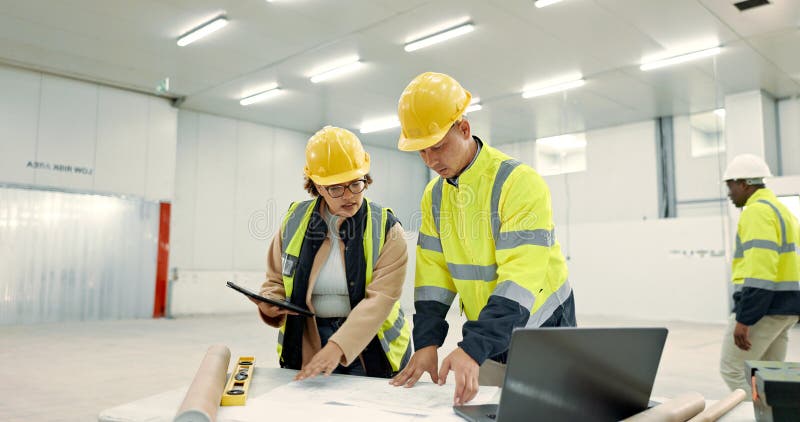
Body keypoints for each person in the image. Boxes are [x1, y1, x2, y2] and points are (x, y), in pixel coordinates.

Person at [389, 72, 576, 405]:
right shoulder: (434, 196)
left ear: (464, 129)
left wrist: (473, 347)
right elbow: (433, 275)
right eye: (421, 151)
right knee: (491, 411)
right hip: (490, 332)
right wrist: (427, 342)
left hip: (543, 330)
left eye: (438, 146)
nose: (431, 160)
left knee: (548, 412)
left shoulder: (519, 183)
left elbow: (519, 278)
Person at [255, 126, 411, 380]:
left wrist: (338, 346)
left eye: (356, 184)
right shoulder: (294, 220)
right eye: (336, 188)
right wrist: (271, 302)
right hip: (308, 342)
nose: (349, 196)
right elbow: (275, 280)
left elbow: (381, 299)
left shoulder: (386, 228)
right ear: (317, 185)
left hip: (371, 348)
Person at [719, 153, 800, 394]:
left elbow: (761, 271)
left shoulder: (756, 212)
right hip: (788, 308)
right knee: (769, 375)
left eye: (731, 186)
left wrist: (745, 318)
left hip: (765, 308)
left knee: (732, 370)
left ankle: (753, 412)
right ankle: (774, 412)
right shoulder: (783, 211)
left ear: (744, 184)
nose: (729, 193)